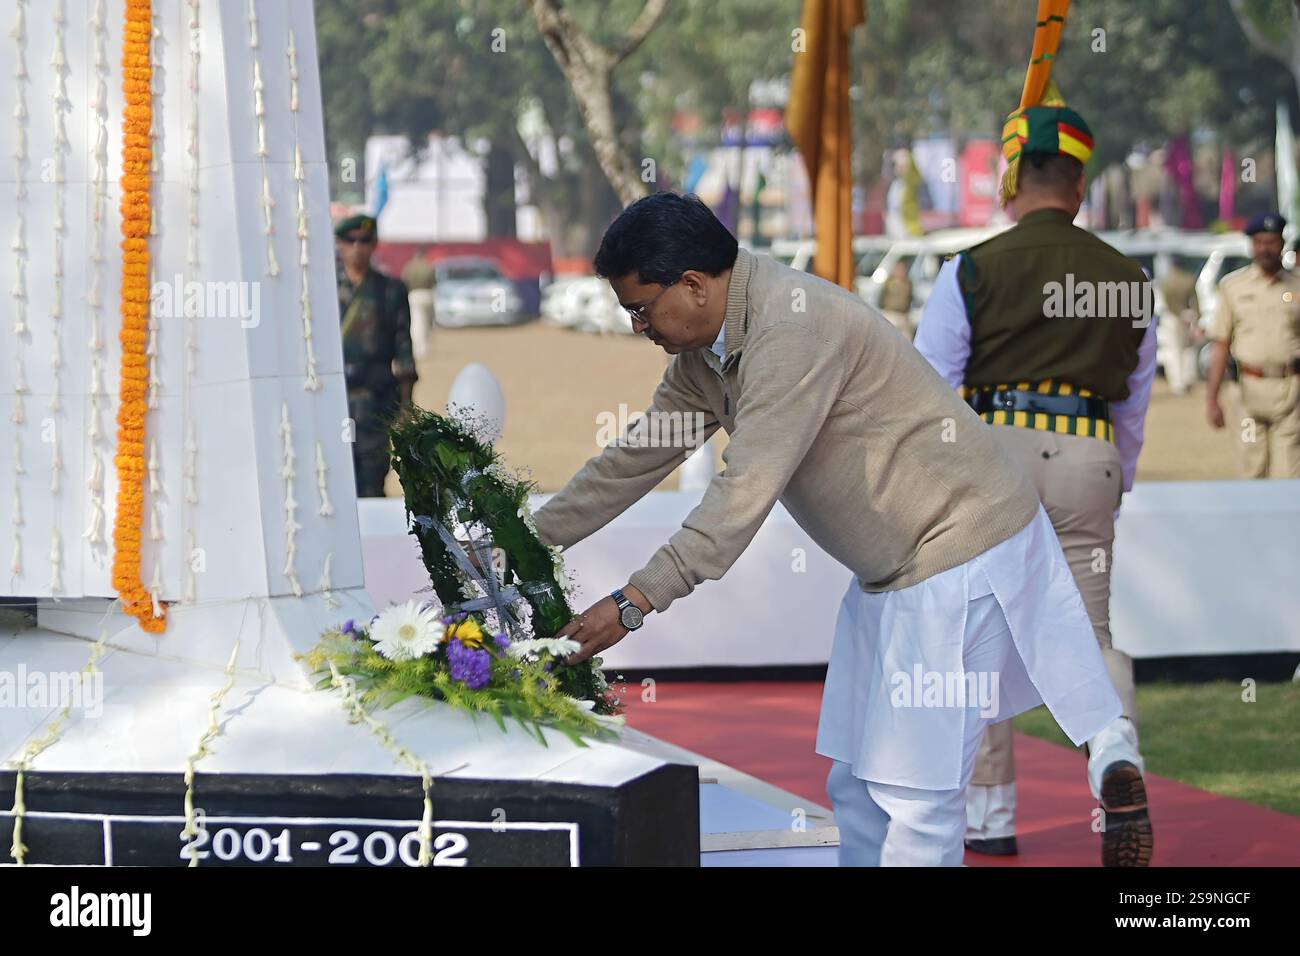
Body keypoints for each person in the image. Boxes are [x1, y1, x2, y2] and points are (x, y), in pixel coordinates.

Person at [532, 192, 1120, 866]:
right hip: (894, 575)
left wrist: (633, 604)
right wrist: (524, 539)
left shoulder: (790, 327)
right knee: (859, 788)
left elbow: (741, 495)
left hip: (961, 553)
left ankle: (1110, 756)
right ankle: (1113, 754)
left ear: (692, 285)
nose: (638, 326)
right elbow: (633, 458)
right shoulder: (707, 352)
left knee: (917, 801)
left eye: (639, 308)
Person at [914, 104, 1156, 867]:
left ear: (1012, 178)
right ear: (1080, 183)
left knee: (981, 635)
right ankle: (1114, 747)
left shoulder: (973, 269)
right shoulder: (1129, 277)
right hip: (1089, 452)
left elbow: (928, 389)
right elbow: (1134, 404)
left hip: (996, 458)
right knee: (1093, 632)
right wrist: (1118, 478)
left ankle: (990, 814)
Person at [1205, 212, 1300, 478]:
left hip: (1290, 391)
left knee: (1288, 479)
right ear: (1252, 245)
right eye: (1260, 242)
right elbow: (1221, 344)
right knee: (1250, 474)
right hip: (1247, 392)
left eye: (1271, 242)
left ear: (1282, 244)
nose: (1266, 249)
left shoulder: (1297, 286)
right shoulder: (1233, 287)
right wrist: (1212, 398)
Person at [335, 213, 417, 497]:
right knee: (334, 482)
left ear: (374, 245)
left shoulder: (390, 291)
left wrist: (406, 405)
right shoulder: (322, 290)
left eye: (365, 240)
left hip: (374, 404)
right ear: (340, 244)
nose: (357, 247)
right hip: (333, 403)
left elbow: (404, 350)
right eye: (350, 240)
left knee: (371, 485)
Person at [1155, 256, 1201, 395]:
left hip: (1171, 317)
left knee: (1173, 351)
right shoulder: (1189, 279)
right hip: (1188, 316)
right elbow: (1196, 301)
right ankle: (1188, 379)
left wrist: (1178, 313)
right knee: (1188, 350)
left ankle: (1177, 383)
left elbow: (1166, 303)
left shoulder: (1165, 282)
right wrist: (1195, 318)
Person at [402, 246, 438, 360]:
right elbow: (434, 282)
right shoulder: (429, 266)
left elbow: (404, 281)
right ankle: (424, 346)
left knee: (417, 322)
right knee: (427, 322)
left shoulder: (409, 267)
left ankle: (418, 348)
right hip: (427, 294)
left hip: (414, 295)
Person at [879, 259, 915, 339]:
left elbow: (910, 298)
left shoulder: (908, 283)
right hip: (890, 314)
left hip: (902, 315)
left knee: (907, 339)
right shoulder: (889, 282)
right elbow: (881, 297)